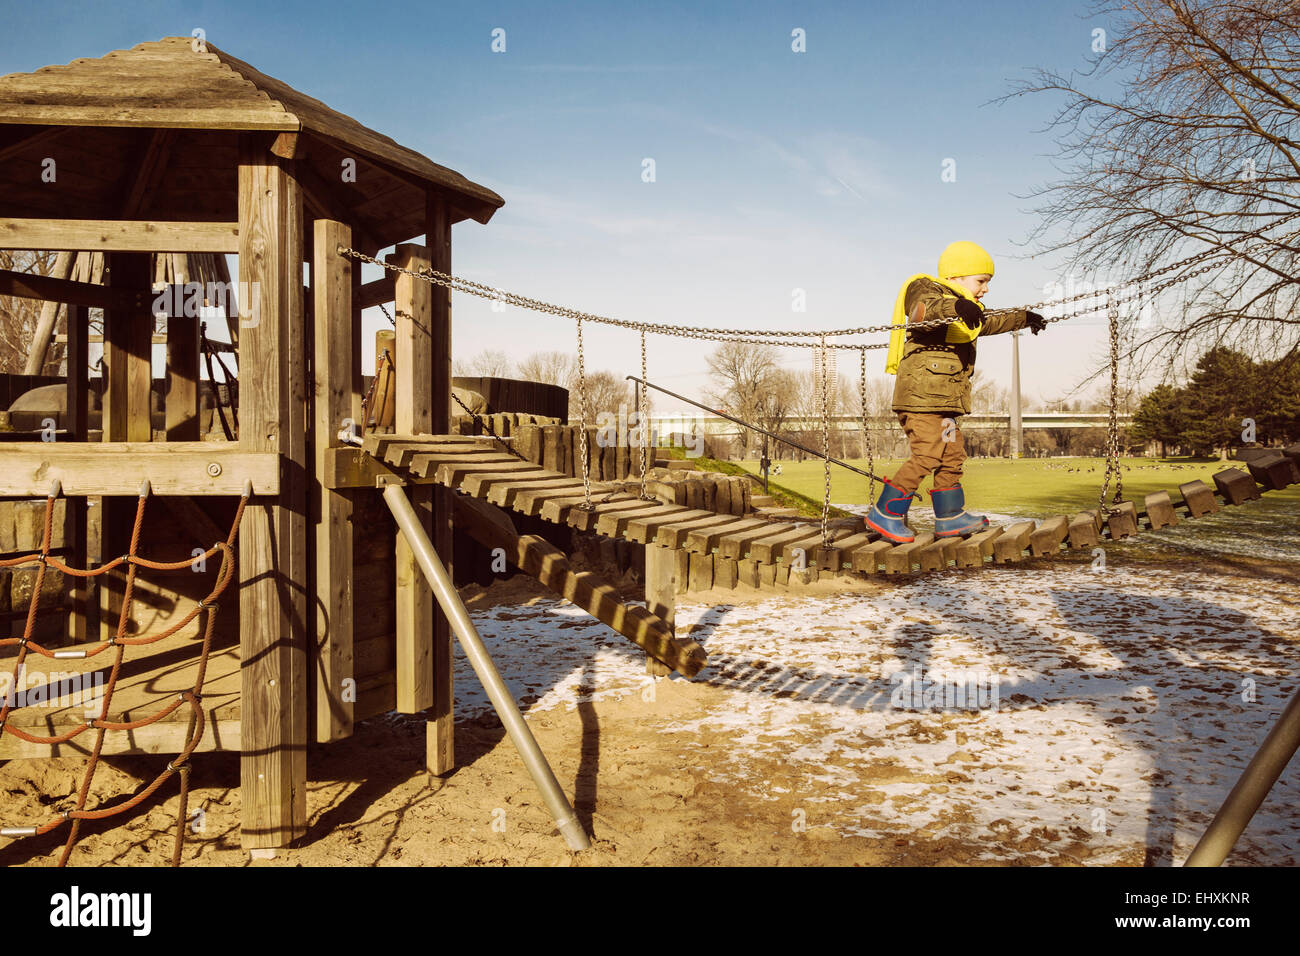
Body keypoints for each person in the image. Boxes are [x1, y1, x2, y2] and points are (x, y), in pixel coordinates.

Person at [864, 241, 1047, 543]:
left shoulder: (968, 312)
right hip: (921, 402)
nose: (985, 289)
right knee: (927, 454)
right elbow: (924, 311)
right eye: (981, 281)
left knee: (952, 454)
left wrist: (1023, 317)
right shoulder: (924, 289)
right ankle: (886, 512)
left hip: (945, 409)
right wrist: (956, 306)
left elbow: (988, 321)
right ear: (957, 276)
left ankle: (950, 517)